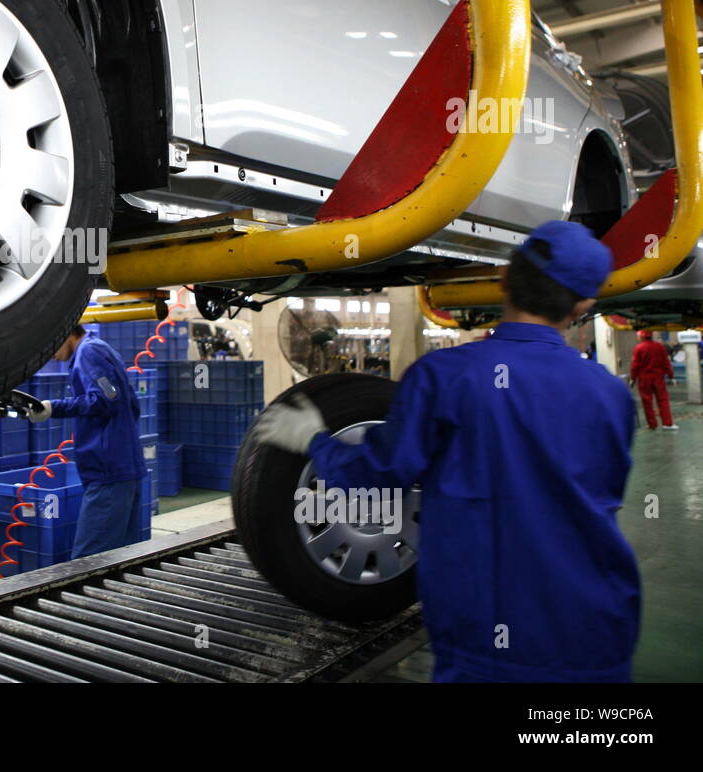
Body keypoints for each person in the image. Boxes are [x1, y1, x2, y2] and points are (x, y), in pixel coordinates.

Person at [259, 221, 640, 682]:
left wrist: (313, 441)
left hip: (488, 635)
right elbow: (602, 495)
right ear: (583, 305)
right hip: (598, 630)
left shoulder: (446, 377)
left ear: (504, 281)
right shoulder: (611, 394)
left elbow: (380, 474)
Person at [29, 324, 145, 558]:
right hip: (122, 467)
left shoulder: (88, 352)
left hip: (108, 471)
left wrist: (55, 408)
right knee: (123, 556)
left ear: (67, 331)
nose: (48, 353)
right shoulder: (99, 349)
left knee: (87, 562)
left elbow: (107, 398)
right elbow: (129, 403)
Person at [629, 330, 677, 430]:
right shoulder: (659, 347)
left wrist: (633, 378)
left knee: (647, 401)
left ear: (641, 337)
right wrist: (671, 376)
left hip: (644, 379)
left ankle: (652, 424)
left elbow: (635, 365)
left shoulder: (639, 348)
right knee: (663, 399)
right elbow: (666, 362)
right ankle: (667, 423)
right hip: (658, 377)